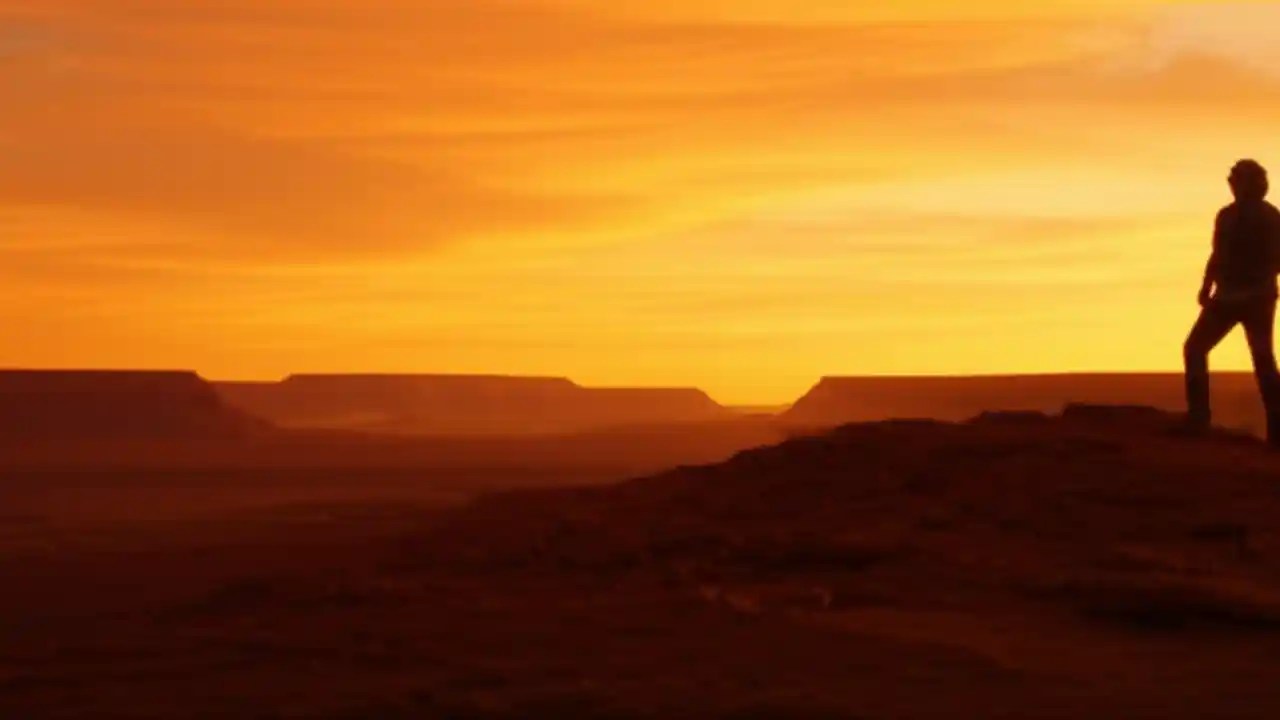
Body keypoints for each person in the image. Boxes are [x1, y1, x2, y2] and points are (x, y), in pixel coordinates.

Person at [1183, 159, 1280, 444]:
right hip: (1230, 297)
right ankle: (1198, 418)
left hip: (1254, 299)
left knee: (1261, 360)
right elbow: (1217, 254)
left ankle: (1276, 432)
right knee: (1196, 348)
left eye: (1237, 180)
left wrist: (1258, 285)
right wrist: (1206, 286)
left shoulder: (1269, 218)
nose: (1233, 184)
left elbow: (1276, 259)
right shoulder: (1226, 216)